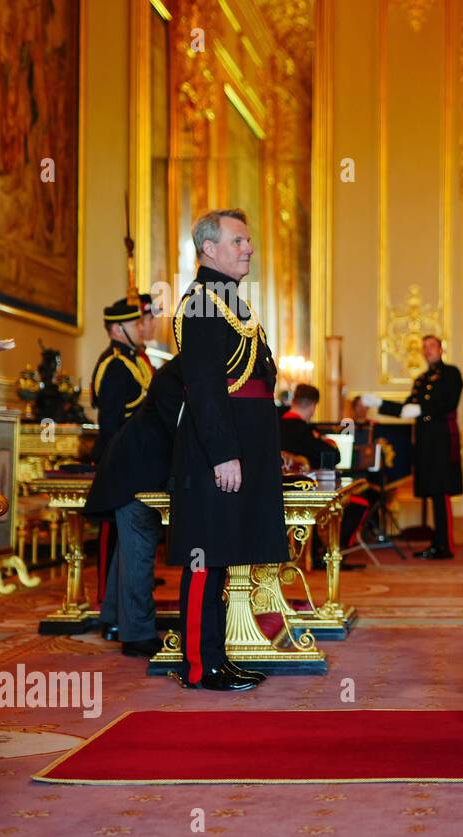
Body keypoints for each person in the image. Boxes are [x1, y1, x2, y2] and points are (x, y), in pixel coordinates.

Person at [168, 208, 286, 691]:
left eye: (248, 241)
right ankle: (199, 664)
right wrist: (223, 453)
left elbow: (260, 379)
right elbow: (204, 386)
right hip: (213, 451)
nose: (249, 249)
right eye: (238, 241)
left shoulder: (229, 300)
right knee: (205, 557)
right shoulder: (200, 303)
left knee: (222, 554)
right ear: (209, 249)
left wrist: (264, 447)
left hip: (244, 445)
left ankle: (217, 656)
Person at [84, 358, 183, 658]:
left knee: (131, 549)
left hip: (134, 469)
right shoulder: (175, 377)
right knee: (139, 543)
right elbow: (181, 432)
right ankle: (137, 634)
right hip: (134, 473)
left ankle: (115, 620)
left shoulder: (176, 371)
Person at [362, 335, 463, 560]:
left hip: (442, 440)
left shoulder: (451, 374)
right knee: (431, 490)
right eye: (424, 347)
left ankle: (445, 546)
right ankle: (436, 544)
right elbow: (407, 407)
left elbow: (448, 402)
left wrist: (422, 410)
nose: (428, 351)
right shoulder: (421, 379)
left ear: (440, 349)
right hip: (425, 442)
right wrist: (380, 404)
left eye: (432, 346)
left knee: (441, 492)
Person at [90, 294, 157, 617]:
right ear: (117, 329)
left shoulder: (135, 360)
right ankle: (109, 601)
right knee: (114, 537)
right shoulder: (115, 365)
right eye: (134, 323)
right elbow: (110, 424)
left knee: (129, 543)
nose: (142, 327)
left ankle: (117, 608)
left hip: (138, 462)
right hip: (120, 463)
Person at [280, 384, 375, 566]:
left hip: (277, 493)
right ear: (313, 406)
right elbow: (334, 458)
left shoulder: (275, 424)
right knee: (357, 502)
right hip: (303, 496)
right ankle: (330, 554)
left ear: (294, 401)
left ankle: (317, 552)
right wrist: (328, 442)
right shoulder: (303, 431)